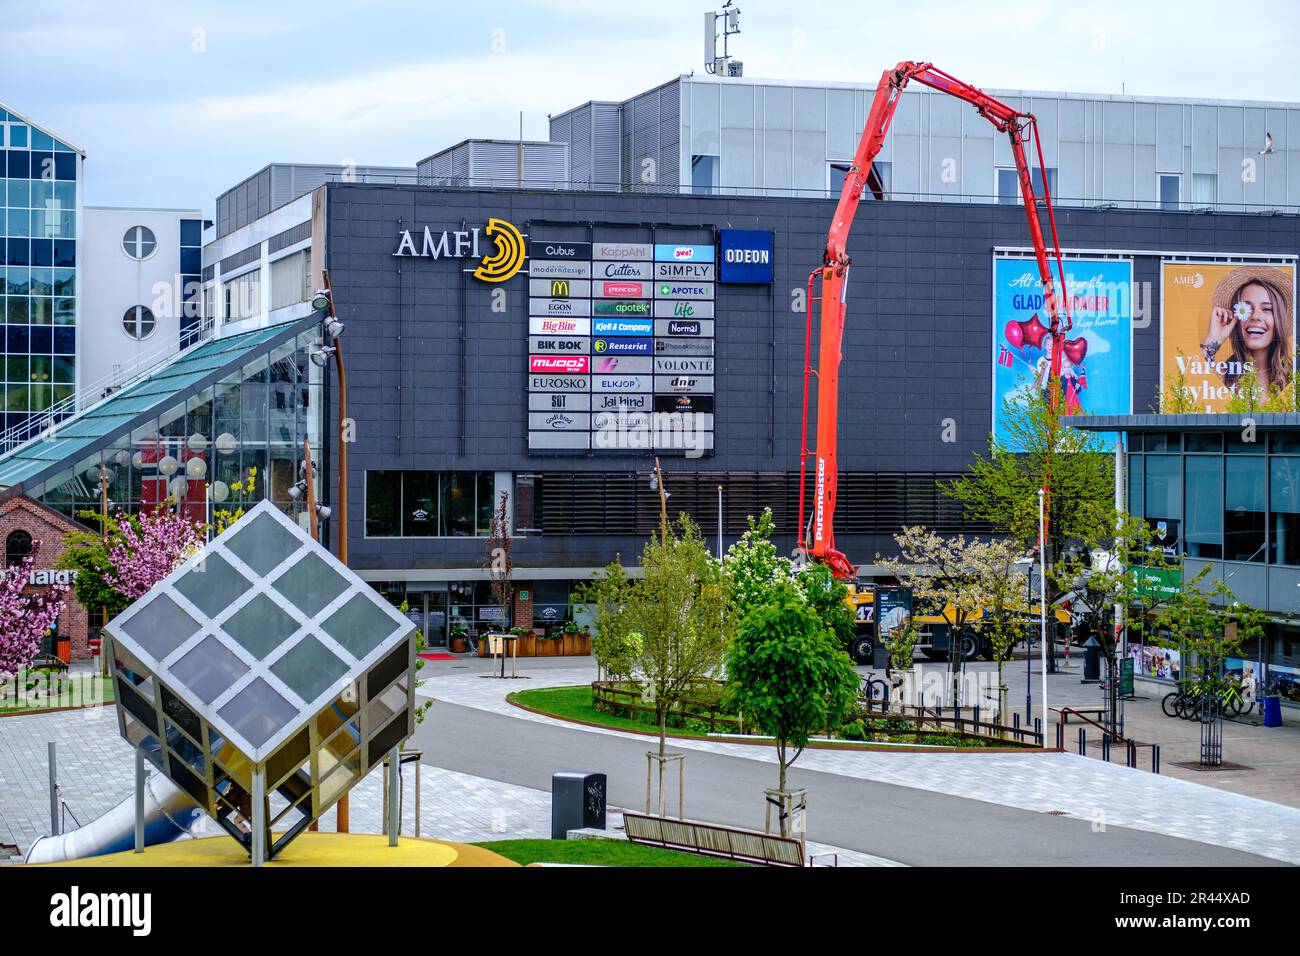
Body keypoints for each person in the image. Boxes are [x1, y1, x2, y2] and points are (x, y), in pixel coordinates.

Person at [1201, 266, 1294, 396]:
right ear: (1235, 317)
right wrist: (1212, 340)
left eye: (1267, 309)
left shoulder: (1294, 376)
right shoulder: (1221, 375)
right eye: (1246, 309)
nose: (1255, 316)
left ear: (1278, 318)